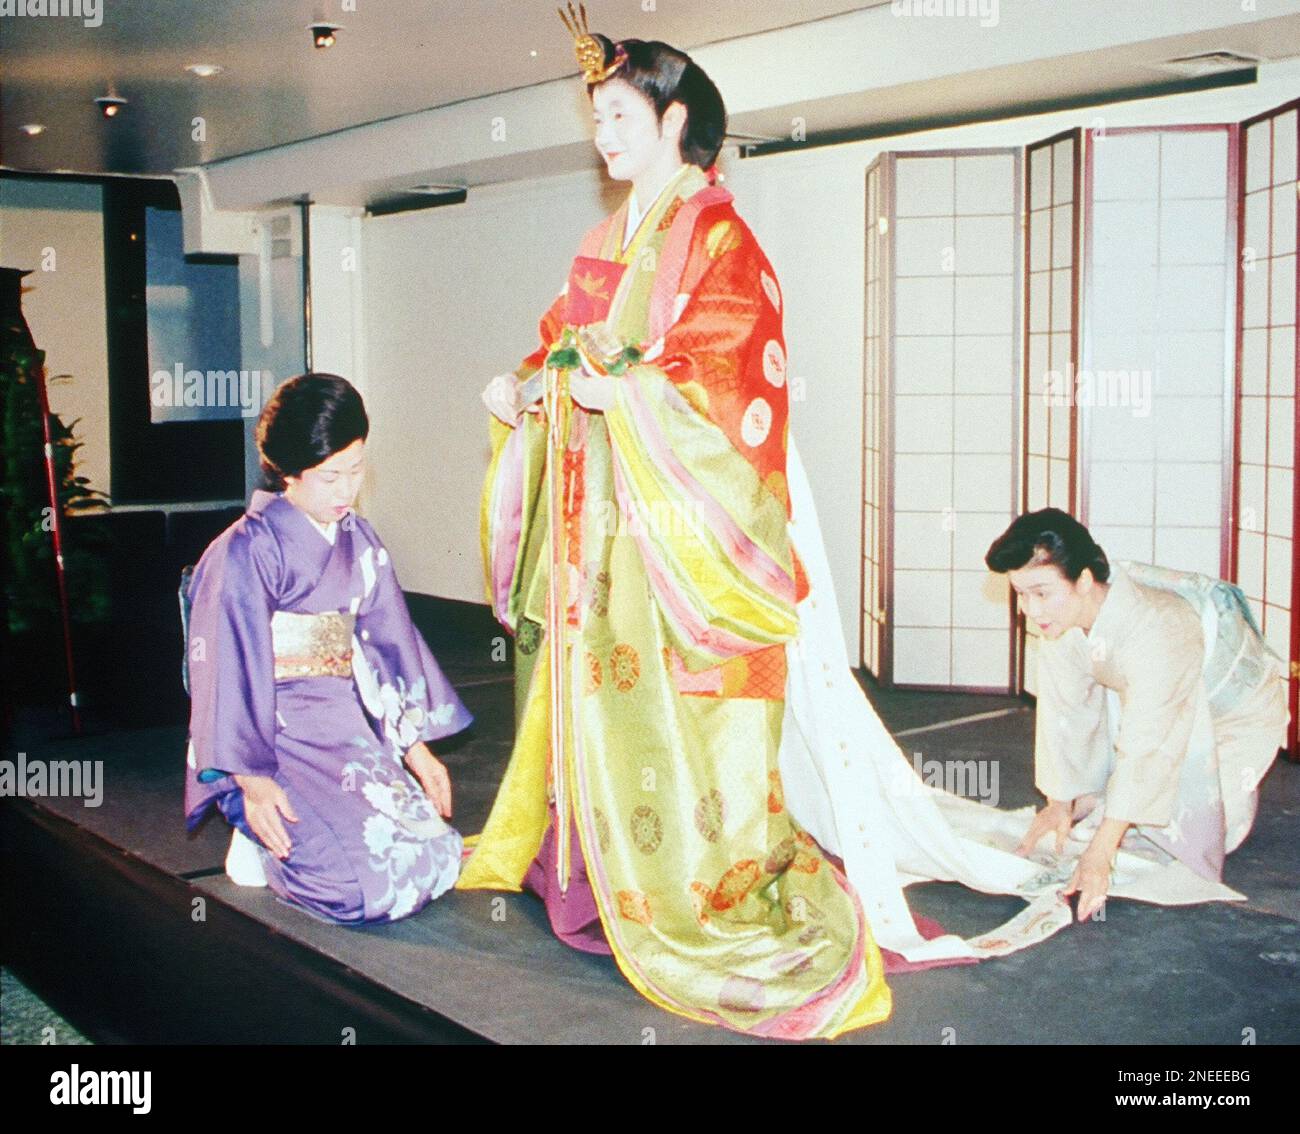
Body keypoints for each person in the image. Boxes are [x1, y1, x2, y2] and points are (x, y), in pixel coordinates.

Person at [461, 11, 891, 1039]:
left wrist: (635, 397)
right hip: (598, 530)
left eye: (619, 113)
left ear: (674, 118)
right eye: (596, 117)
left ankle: (705, 898)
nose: (602, 133)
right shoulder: (605, 240)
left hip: (675, 528)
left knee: (690, 724)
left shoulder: (716, 234)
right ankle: (598, 888)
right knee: (594, 705)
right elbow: (565, 349)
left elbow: (730, 376)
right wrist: (526, 391)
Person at [184, 373, 473, 925]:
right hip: (273, 737)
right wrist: (253, 781)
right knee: (355, 888)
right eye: (329, 477)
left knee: (435, 855)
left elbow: (388, 646)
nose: (345, 492)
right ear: (288, 473)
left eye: (356, 470)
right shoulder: (244, 552)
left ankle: (295, 837)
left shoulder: (358, 539)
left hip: (341, 727)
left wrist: (417, 751)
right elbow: (225, 671)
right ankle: (260, 846)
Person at [986, 508, 1289, 920]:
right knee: (1098, 815)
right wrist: (1060, 802)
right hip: (1165, 701)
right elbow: (1066, 713)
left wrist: (1100, 854)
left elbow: (1151, 743)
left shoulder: (1159, 626)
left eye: (1041, 592)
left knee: (1187, 837)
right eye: (1021, 594)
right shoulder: (1061, 620)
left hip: (1233, 713)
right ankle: (1114, 806)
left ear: (1085, 581)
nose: (1029, 609)